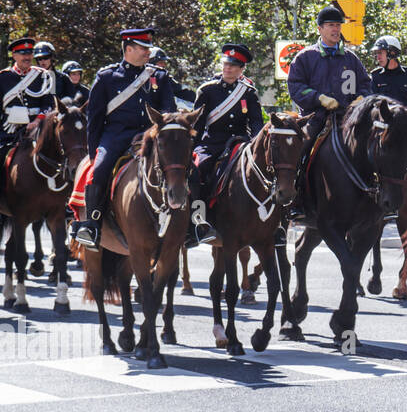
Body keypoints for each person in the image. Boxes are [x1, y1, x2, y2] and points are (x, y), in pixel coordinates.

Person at [74, 27, 177, 248]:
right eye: (143, 48)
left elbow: (169, 110)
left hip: (149, 138)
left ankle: (189, 225)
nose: (148, 53)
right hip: (116, 137)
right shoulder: (107, 77)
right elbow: (95, 119)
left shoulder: (159, 77)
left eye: (149, 48)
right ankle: (91, 225)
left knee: (183, 169)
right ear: (128, 49)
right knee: (100, 170)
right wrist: (94, 153)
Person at [287, 3, 373, 214]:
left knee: (374, 146)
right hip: (316, 118)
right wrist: (319, 98)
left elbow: (366, 84)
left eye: (338, 25)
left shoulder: (351, 58)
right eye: (331, 25)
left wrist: (361, 98)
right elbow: (295, 87)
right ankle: (296, 200)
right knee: (301, 150)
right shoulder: (305, 57)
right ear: (320, 29)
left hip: (348, 119)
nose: (336, 29)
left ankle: (377, 195)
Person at [191, 44, 265, 247]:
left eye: (233, 66)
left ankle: (272, 225)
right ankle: (198, 222)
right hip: (212, 143)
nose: (228, 68)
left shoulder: (248, 93)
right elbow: (197, 124)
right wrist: (191, 150)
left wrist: (257, 142)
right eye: (226, 64)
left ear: (241, 69)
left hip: (239, 144)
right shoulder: (208, 90)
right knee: (199, 170)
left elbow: (256, 121)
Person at [0, 37, 58, 150]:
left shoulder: (45, 76)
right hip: (10, 131)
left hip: (38, 129)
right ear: (14, 55)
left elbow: (49, 104)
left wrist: (37, 121)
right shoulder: (3, 77)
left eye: (30, 53)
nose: (27, 57)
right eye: (23, 54)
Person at [369, 35, 407, 108]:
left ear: (392, 53)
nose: (378, 57)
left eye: (380, 53)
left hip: (406, 118)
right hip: (383, 118)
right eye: (376, 53)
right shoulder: (375, 76)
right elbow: (370, 102)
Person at [32, 41, 79, 107]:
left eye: (46, 57)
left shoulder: (63, 78)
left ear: (52, 57)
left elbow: (72, 101)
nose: (43, 61)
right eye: (39, 58)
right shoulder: (31, 79)